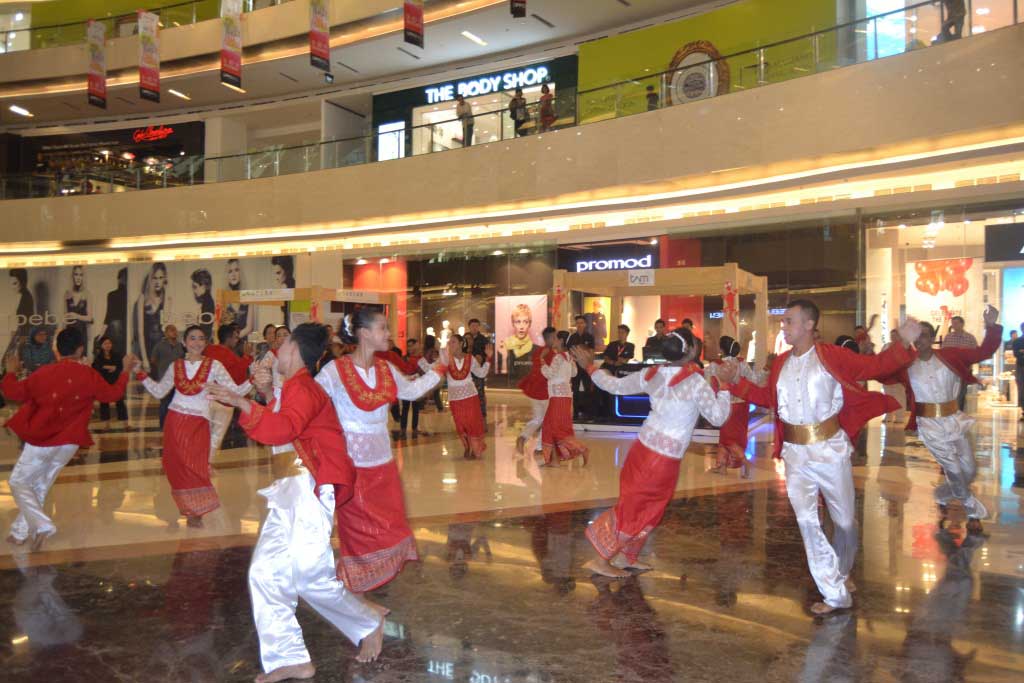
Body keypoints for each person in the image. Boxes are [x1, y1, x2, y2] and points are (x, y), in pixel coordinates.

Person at [206, 323, 384, 678]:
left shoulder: (304, 388)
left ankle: (368, 622)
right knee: (264, 573)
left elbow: (281, 429)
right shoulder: (293, 389)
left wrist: (242, 401)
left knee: (308, 576)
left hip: (308, 488)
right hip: (288, 491)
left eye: (281, 343)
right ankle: (290, 656)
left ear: (294, 349)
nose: (275, 350)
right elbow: (281, 421)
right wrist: (259, 394)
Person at [725, 300, 920, 615]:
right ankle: (834, 593)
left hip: (830, 451)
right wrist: (738, 382)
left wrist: (904, 343)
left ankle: (841, 573)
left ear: (809, 325)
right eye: (784, 321)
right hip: (794, 456)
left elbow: (875, 367)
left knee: (844, 522)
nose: (783, 327)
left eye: (789, 321)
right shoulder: (781, 363)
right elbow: (769, 399)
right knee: (807, 522)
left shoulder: (832, 356)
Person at [573, 328, 732, 577]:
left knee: (646, 508)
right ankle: (601, 560)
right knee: (638, 510)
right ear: (690, 350)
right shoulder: (694, 382)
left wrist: (591, 368)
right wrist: (724, 388)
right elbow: (719, 417)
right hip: (662, 460)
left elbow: (613, 386)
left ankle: (628, 557)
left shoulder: (651, 374)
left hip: (642, 450)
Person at [315, 308, 445, 594]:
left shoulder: (386, 369)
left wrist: (439, 370)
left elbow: (410, 392)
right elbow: (310, 400)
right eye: (383, 328)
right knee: (356, 528)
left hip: (383, 464)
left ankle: (374, 577)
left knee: (391, 522)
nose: (388, 334)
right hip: (352, 466)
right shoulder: (335, 370)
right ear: (363, 334)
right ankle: (357, 583)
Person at [2, 328, 134, 551]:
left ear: (56, 349)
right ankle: (20, 532)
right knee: (41, 484)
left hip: (42, 439)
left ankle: (42, 525)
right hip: (69, 443)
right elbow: (112, 395)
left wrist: (10, 372)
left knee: (18, 482)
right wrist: (126, 371)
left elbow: (13, 393)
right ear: (81, 349)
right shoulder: (88, 375)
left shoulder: (44, 373)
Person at [135, 325, 252, 528]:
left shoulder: (214, 366)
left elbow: (236, 390)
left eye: (200, 338)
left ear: (205, 343)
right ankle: (190, 511)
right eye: (192, 338)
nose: (197, 342)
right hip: (175, 422)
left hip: (199, 423)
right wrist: (141, 375)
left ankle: (196, 509)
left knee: (197, 467)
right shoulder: (176, 366)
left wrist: (253, 380)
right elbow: (159, 391)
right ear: (184, 342)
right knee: (177, 468)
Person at [907, 309, 1002, 526]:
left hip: (953, 419)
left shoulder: (950, 355)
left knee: (969, 469)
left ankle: (942, 494)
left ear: (932, 338)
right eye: (916, 336)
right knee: (955, 470)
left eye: (924, 335)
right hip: (929, 425)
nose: (919, 340)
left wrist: (991, 327)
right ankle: (973, 512)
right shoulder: (907, 364)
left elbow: (984, 352)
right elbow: (880, 369)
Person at [705, 336, 763, 476]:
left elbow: (705, 380)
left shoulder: (716, 365)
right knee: (731, 436)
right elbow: (755, 380)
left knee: (728, 438)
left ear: (721, 348)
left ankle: (746, 463)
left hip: (727, 405)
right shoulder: (742, 363)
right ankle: (722, 465)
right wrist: (766, 370)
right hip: (742, 405)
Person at [204, 323, 253, 459]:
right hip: (223, 402)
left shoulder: (209, 350)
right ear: (229, 338)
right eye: (236, 337)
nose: (237, 341)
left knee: (204, 434)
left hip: (206, 399)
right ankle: (207, 464)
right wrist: (247, 357)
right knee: (216, 436)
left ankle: (199, 462)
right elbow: (238, 376)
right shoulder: (228, 355)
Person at [540, 331, 589, 466]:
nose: (553, 340)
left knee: (556, 429)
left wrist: (542, 360)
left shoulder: (558, 357)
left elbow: (548, 374)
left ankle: (582, 449)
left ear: (561, 340)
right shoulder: (568, 357)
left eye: (555, 338)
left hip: (557, 396)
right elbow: (574, 373)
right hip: (565, 397)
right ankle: (554, 460)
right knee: (550, 427)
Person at [445, 334, 492, 460]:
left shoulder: (470, 358)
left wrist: (488, 358)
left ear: (461, 344)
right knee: (460, 424)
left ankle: (474, 448)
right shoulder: (445, 359)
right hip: (455, 399)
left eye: (453, 342)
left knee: (472, 424)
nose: (451, 344)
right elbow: (433, 370)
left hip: (470, 396)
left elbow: (481, 374)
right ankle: (467, 446)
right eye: (450, 342)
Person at [516, 326, 556, 457]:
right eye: (554, 337)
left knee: (540, 418)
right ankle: (534, 443)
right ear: (549, 338)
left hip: (534, 388)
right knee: (544, 419)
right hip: (542, 390)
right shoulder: (551, 354)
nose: (556, 340)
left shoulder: (538, 351)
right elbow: (549, 373)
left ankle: (530, 441)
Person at [134, 262, 171, 373]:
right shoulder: (142, 299)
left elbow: (166, 328)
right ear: (150, 279)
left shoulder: (167, 299)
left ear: (164, 279)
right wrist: (145, 359)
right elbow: (140, 332)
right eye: (154, 278)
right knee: (148, 386)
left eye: (160, 278)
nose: (157, 281)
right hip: (147, 348)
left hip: (162, 349)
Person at [149, 324, 184, 428]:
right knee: (165, 403)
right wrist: (162, 367)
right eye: (171, 330)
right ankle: (163, 426)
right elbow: (153, 360)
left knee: (177, 402)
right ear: (166, 333)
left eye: (175, 330)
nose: (174, 332)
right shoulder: (159, 345)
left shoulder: (180, 345)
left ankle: (175, 425)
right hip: (164, 378)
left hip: (178, 379)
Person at [942, 315, 979, 411]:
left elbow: (975, 354)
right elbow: (943, 353)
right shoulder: (948, 337)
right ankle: (950, 412)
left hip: (964, 370)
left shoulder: (970, 338)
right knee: (950, 392)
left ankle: (959, 412)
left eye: (956, 323)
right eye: (953, 323)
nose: (954, 325)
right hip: (950, 370)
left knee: (961, 393)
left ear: (962, 324)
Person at [92, 336, 128, 424]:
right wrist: (106, 366)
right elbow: (95, 367)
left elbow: (121, 366)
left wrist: (115, 367)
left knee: (120, 402)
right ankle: (106, 424)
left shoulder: (116, 355)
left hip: (116, 381)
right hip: (104, 382)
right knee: (104, 402)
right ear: (101, 345)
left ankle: (125, 423)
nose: (108, 345)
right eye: (105, 343)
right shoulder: (98, 357)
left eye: (109, 343)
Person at [567, 315, 596, 420]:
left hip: (586, 367)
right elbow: (569, 352)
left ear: (585, 324)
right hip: (575, 367)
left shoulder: (589, 337)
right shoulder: (572, 337)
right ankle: (575, 413)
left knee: (588, 390)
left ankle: (588, 413)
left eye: (581, 323)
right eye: (578, 323)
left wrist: (590, 366)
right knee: (575, 390)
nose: (579, 325)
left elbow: (592, 352)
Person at [502, 304, 536, 383]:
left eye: (525, 322)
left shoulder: (535, 348)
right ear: (513, 323)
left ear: (530, 324)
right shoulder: (505, 345)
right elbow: (502, 374)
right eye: (518, 322)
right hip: (511, 384)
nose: (521, 326)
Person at [97, 268, 128, 355]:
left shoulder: (113, 295)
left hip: (115, 328)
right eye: (122, 278)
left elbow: (108, 315)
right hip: (119, 329)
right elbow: (108, 315)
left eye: (123, 278)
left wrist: (101, 333)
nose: (122, 281)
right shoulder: (118, 295)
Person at [223, 259, 255, 342]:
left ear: (240, 273)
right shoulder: (223, 299)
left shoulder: (248, 297)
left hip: (242, 344)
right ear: (227, 275)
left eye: (236, 270)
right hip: (227, 344)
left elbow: (249, 327)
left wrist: (235, 339)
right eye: (230, 271)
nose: (233, 274)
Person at [399, 338, 425, 438]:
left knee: (415, 408)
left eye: (412, 345)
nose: (410, 348)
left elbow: (423, 371)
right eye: (408, 346)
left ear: (416, 346)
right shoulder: (404, 358)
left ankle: (414, 428)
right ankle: (403, 428)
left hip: (416, 386)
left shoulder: (420, 359)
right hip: (406, 386)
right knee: (405, 408)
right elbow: (401, 370)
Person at [63, 266, 93, 356]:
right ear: (72, 276)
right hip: (69, 332)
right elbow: (64, 316)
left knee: (82, 360)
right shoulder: (67, 294)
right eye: (76, 274)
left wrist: (76, 316)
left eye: (81, 275)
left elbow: (90, 317)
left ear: (83, 277)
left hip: (82, 332)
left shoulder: (87, 294)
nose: (78, 277)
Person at [466, 318, 489, 418]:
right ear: (469, 327)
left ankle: (482, 415)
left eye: (476, 326)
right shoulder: (465, 338)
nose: (474, 328)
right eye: (472, 326)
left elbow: (487, 354)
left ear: (479, 326)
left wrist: (481, 359)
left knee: (480, 393)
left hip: (478, 369)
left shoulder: (483, 339)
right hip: (466, 370)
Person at [190, 268, 216, 341]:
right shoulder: (207, 301)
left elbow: (205, 330)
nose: (194, 291)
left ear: (203, 286)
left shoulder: (207, 303)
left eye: (195, 287)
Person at [271, 255, 296, 328]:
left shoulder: (285, 287)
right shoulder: (293, 284)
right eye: (275, 273)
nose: (276, 278)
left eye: (278, 273)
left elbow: (283, 315)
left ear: (287, 271)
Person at [1014, 323, 1024, 421]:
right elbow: (1016, 353)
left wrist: (1022, 351)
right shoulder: (1017, 341)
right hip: (1021, 367)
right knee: (1022, 388)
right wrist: (1020, 352)